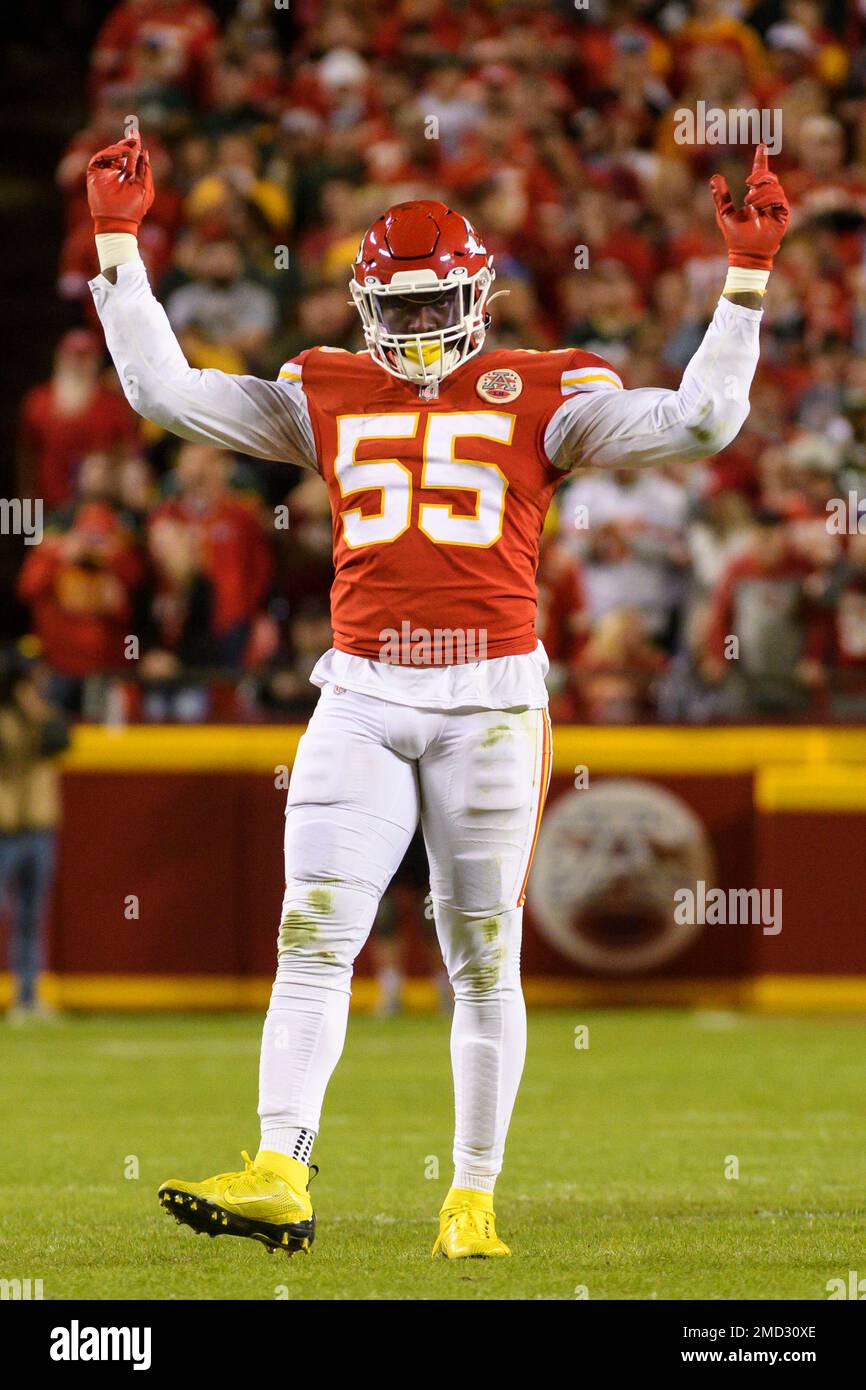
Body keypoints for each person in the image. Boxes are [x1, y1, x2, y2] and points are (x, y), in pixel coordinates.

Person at [85, 131, 789, 1259]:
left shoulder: (545, 391)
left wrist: (741, 289)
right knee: (309, 934)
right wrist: (118, 244)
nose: (414, 332)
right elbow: (161, 392)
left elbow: (701, 422)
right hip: (359, 691)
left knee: (480, 954)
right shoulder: (323, 387)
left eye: (434, 307)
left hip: (491, 702)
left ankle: (469, 1198)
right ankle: (280, 1166)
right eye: (398, 312)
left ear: (477, 298)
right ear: (366, 306)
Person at [0, 643, 69, 1021]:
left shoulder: (47, 715)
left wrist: (36, 713)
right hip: (4, 828)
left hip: (39, 827)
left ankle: (27, 996)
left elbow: (63, 743)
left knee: (31, 916)